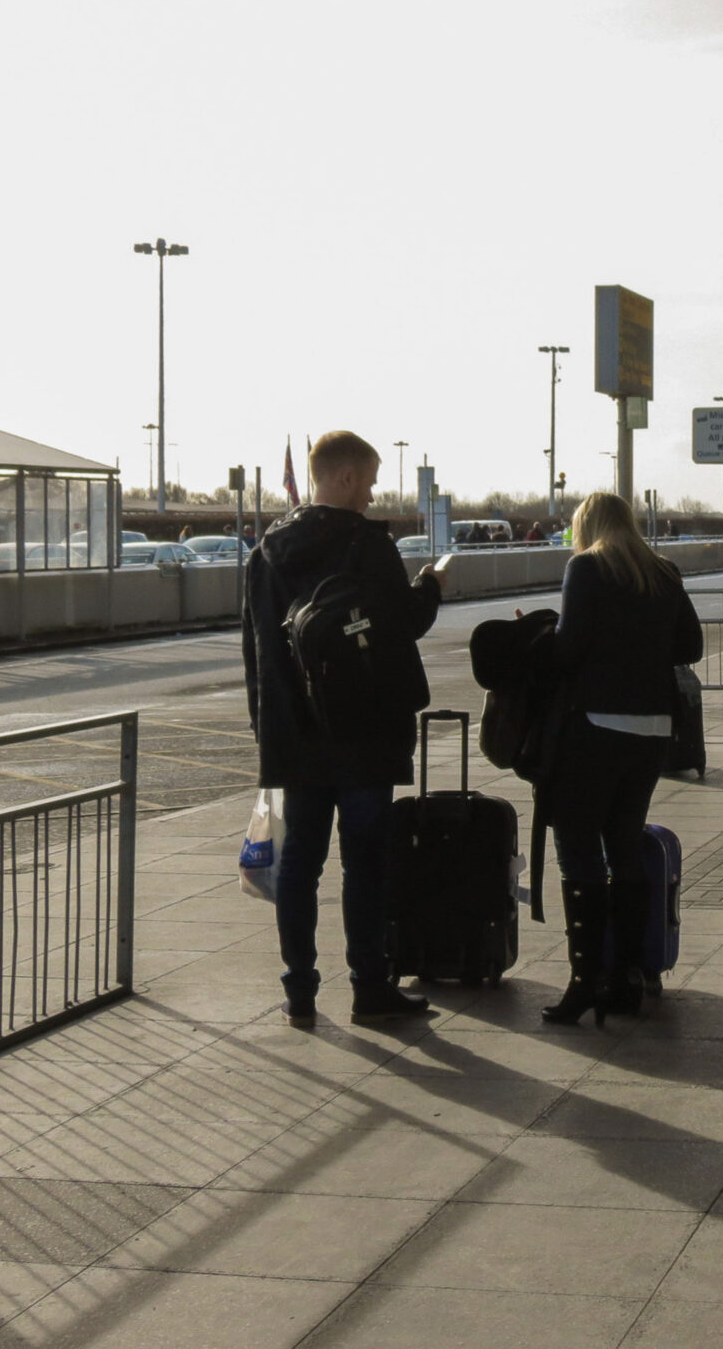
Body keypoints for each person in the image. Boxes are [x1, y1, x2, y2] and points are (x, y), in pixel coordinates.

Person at [243, 430, 443, 1028]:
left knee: (300, 863)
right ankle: (369, 987)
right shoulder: (368, 547)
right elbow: (401, 625)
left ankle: (299, 989)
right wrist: (430, 587)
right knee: (365, 862)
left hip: (296, 738)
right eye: (373, 482)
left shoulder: (267, 553)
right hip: (366, 734)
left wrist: (268, 733)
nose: (373, 496)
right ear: (348, 477)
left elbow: (256, 653)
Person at [540, 492, 704, 1025]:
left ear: (586, 526)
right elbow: (692, 645)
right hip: (653, 731)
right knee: (625, 849)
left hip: (595, 729)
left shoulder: (585, 568)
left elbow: (567, 650)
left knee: (579, 848)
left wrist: (541, 640)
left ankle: (585, 980)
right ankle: (629, 976)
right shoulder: (663, 571)